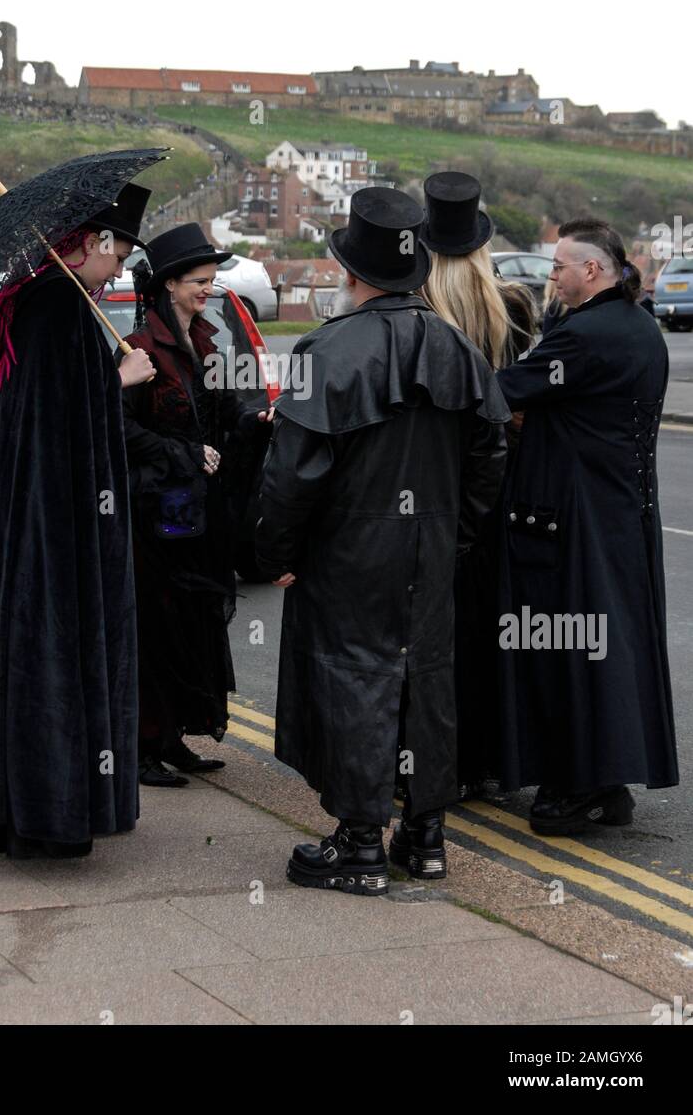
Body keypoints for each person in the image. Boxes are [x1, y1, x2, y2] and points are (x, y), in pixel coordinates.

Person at [255, 186, 509, 895]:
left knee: (355, 681)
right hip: (427, 550)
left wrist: (275, 553)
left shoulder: (328, 348)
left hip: (348, 552)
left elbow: (292, 475)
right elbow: (490, 455)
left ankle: (361, 843)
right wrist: (455, 534)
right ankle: (425, 838)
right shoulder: (456, 346)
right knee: (425, 680)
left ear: (351, 274)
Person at [0, 183, 157, 857]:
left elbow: (32, 408)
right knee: (49, 646)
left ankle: (22, 809)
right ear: (90, 243)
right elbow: (57, 419)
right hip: (46, 517)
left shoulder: (41, 297)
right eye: (118, 252)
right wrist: (119, 379)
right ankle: (48, 813)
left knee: (22, 644)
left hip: (18, 504)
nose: (121, 267)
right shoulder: (61, 303)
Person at [495, 218, 677, 835]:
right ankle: (601, 784)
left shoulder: (585, 335)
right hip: (626, 513)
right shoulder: (640, 325)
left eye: (558, 267)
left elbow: (500, 390)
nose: (551, 277)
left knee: (572, 647)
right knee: (613, 646)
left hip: (581, 521)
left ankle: (585, 786)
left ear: (591, 271)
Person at [122, 224, 274, 786]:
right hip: (155, 512)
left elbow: (222, 407)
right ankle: (140, 747)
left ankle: (175, 737)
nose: (208, 289)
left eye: (211, 280)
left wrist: (253, 418)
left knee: (193, 624)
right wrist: (182, 452)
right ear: (169, 284)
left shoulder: (206, 342)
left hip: (197, 513)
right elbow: (122, 429)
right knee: (157, 627)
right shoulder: (138, 350)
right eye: (199, 280)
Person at [419, 171, 535, 795]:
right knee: (494, 624)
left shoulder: (419, 307)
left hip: (433, 486)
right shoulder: (510, 305)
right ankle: (490, 760)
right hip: (497, 481)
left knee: (437, 634)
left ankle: (444, 764)